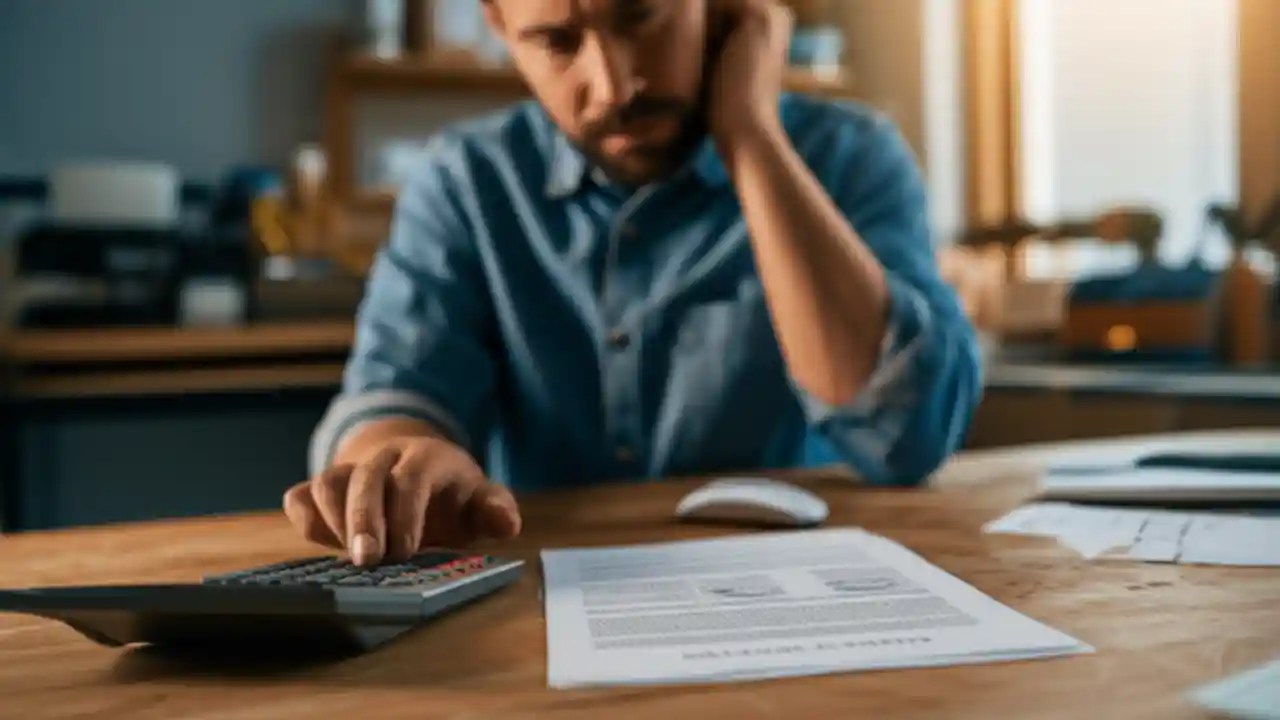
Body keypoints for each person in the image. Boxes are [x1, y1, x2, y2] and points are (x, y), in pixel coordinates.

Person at [284, 0, 982, 566]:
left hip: (808, 589)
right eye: (557, 42)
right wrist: (401, 460)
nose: (615, 85)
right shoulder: (464, 181)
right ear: (499, 26)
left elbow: (909, 437)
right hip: (544, 605)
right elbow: (397, 390)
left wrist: (750, 135)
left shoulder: (850, 156)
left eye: (640, 17)